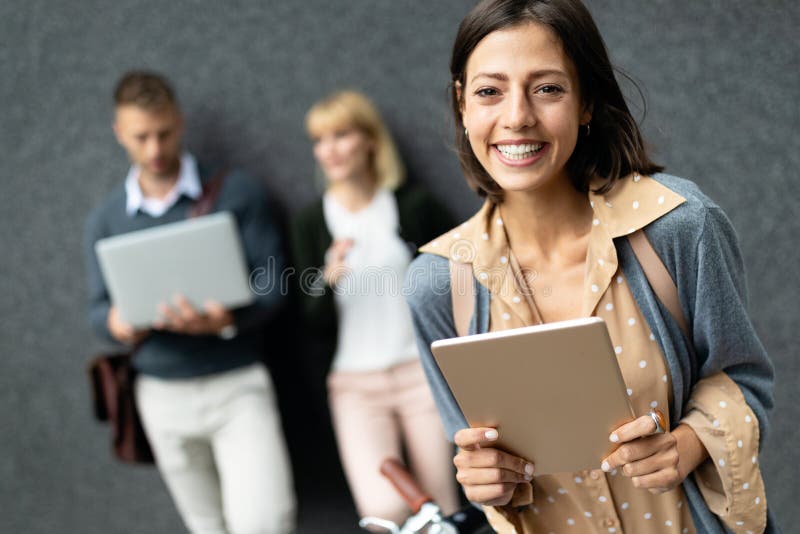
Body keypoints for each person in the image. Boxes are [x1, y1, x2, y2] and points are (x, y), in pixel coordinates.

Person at [404, 1, 778, 533]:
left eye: (548, 88)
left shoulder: (679, 226)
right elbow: (474, 450)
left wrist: (691, 443)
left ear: (587, 102)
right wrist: (482, 478)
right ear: (463, 105)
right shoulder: (439, 282)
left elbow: (743, 377)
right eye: (490, 91)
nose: (517, 117)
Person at [84, 71, 295, 534]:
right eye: (141, 137)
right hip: (160, 395)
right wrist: (118, 323)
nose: (155, 149)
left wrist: (228, 320)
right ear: (120, 134)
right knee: (205, 525)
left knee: (265, 520)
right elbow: (98, 309)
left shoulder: (238, 192)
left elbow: (276, 285)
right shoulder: (106, 218)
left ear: (179, 122)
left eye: (163, 133)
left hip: (237, 386)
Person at [290, 90, 460, 525]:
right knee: (383, 512)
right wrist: (326, 280)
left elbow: (459, 277)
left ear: (370, 140)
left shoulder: (411, 207)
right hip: (355, 384)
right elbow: (310, 319)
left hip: (420, 374)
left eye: (341, 134)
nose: (329, 149)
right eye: (320, 139)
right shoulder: (312, 221)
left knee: (442, 504)